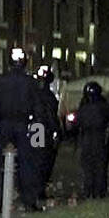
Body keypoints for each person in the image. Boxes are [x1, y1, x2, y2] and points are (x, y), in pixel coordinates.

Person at [0, 46, 43, 211]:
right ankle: (29, 202)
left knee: (1, 165)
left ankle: (1, 201)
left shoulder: (0, 81)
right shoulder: (30, 82)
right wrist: (37, 134)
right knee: (28, 165)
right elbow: (38, 108)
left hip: (4, 126)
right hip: (25, 126)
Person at [76, 80, 109, 199]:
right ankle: (99, 191)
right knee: (100, 166)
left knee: (89, 166)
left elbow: (76, 123)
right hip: (100, 138)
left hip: (89, 139)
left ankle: (89, 191)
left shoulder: (84, 108)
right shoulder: (104, 107)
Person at [34, 65, 61, 198]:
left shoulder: (34, 94)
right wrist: (56, 130)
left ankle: (36, 187)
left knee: (37, 158)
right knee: (44, 159)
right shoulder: (49, 97)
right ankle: (39, 189)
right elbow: (51, 115)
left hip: (36, 128)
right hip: (43, 128)